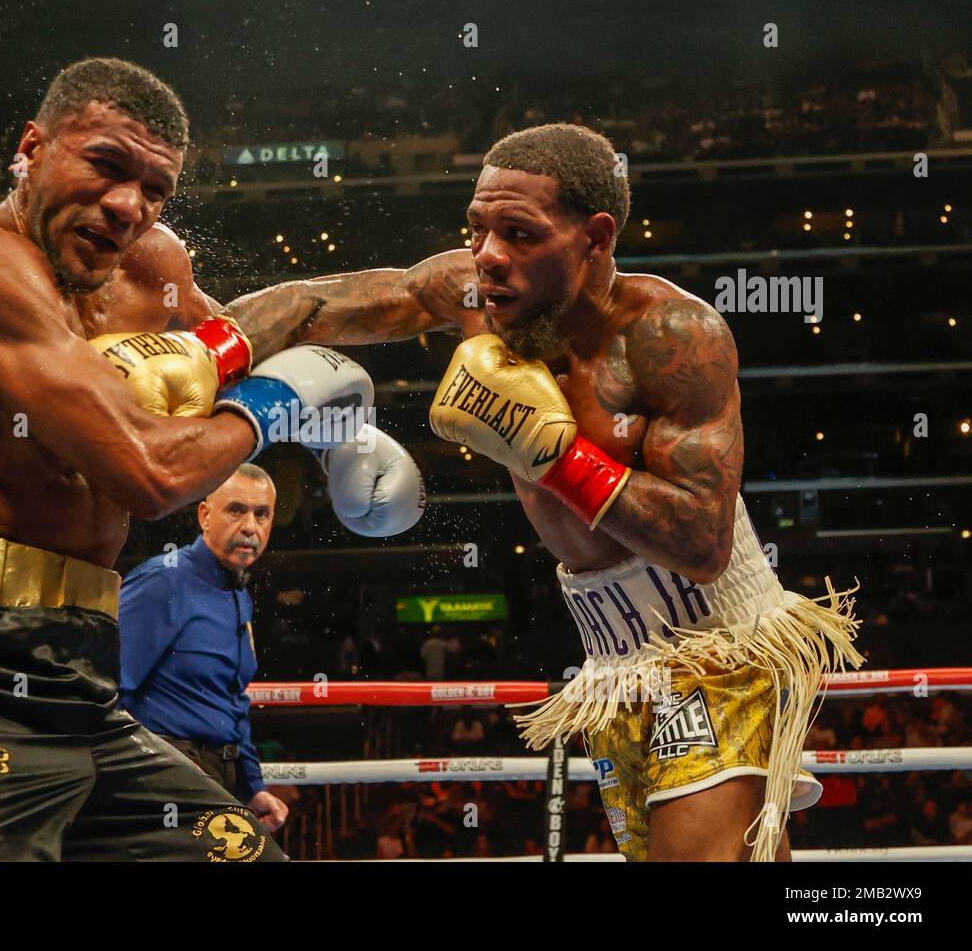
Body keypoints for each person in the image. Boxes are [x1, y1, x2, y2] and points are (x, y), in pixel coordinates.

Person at [225, 122, 863, 861]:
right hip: (612, 654)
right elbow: (317, 304)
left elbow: (702, 544)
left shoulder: (671, 335)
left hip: (720, 647)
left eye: (519, 233)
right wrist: (204, 351)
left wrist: (554, 453)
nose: (488, 255)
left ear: (595, 236)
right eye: (477, 229)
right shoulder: (479, 289)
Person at [0, 57, 380, 862]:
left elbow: (292, 320)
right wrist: (280, 406)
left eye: (152, 190)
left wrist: (374, 405)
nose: (126, 205)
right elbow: (149, 476)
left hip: (80, 675)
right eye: (106, 166)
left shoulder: (153, 269)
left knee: (242, 857)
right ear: (31, 148)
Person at [119, 464, 289, 832]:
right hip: (162, 778)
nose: (250, 527)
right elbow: (108, 690)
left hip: (215, 775)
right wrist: (164, 764)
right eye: (236, 510)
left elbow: (232, 700)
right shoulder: (163, 580)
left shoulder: (237, 595)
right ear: (204, 515)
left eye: (262, 514)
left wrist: (252, 787)